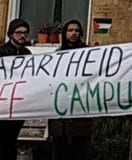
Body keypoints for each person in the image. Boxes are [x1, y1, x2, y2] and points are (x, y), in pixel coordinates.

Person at [0, 19, 31, 160]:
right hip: (2, 104)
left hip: (18, 105)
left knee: (11, 140)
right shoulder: (0, 52)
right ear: (11, 34)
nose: (22, 36)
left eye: (25, 33)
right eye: (19, 33)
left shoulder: (27, 53)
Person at [48, 20, 91, 160]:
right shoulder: (57, 54)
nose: (74, 33)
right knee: (59, 149)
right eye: (70, 30)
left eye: (77, 30)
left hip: (81, 107)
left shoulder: (89, 53)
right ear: (64, 33)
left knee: (80, 149)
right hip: (60, 109)